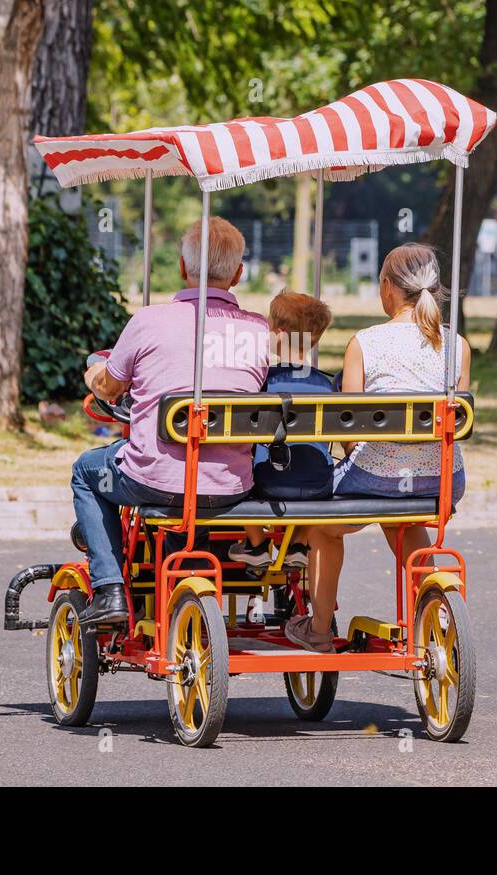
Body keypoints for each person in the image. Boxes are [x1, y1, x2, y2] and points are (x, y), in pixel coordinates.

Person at [74, 217, 269, 624]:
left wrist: (93, 373)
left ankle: (110, 588)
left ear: (182, 268)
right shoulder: (259, 331)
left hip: (154, 482)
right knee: (196, 471)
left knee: (86, 471)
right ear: (238, 274)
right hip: (232, 487)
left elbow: (109, 389)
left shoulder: (148, 321)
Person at [285, 243, 472, 652]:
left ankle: (318, 630)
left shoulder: (366, 342)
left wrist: (356, 456)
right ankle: (434, 608)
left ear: (387, 287)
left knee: (324, 526)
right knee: (402, 516)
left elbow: (349, 428)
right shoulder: (457, 344)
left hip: (376, 478)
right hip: (442, 479)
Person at [229, 290, 335, 572]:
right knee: (317, 466)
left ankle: (257, 544)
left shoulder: (263, 382)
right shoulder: (327, 385)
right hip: (319, 486)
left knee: (234, 471)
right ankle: (298, 543)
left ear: (280, 332)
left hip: (269, 481)